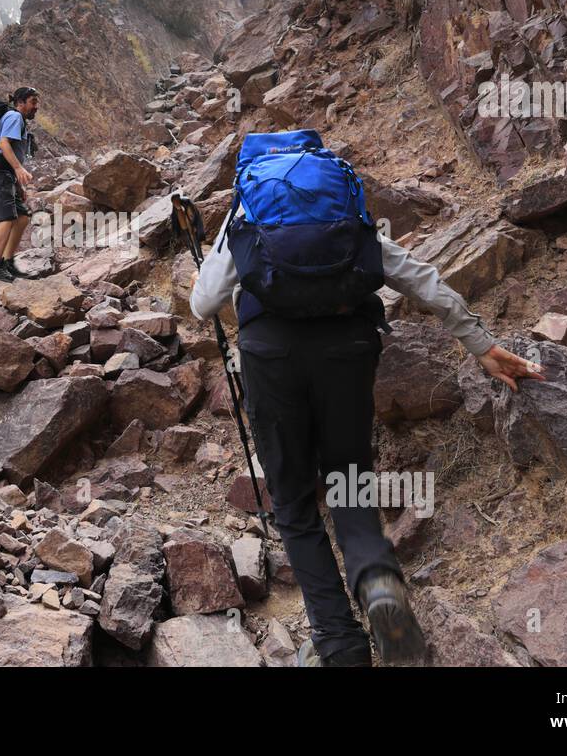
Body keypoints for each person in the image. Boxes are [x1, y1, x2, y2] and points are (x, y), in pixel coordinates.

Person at [190, 194, 544, 666]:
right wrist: (478, 342)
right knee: (348, 476)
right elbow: (416, 275)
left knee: (293, 500)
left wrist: (203, 282)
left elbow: (204, 304)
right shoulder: (339, 206)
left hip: (271, 355)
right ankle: (378, 583)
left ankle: (340, 644)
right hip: (348, 347)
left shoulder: (249, 207)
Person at [0, 86, 39, 282]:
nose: (36, 107)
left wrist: (19, 185)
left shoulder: (17, 119)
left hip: (5, 175)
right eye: (33, 102)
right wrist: (18, 169)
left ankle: (7, 262)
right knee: (7, 218)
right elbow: (3, 144)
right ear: (20, 102)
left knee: (22, 217)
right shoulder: (14, 117)